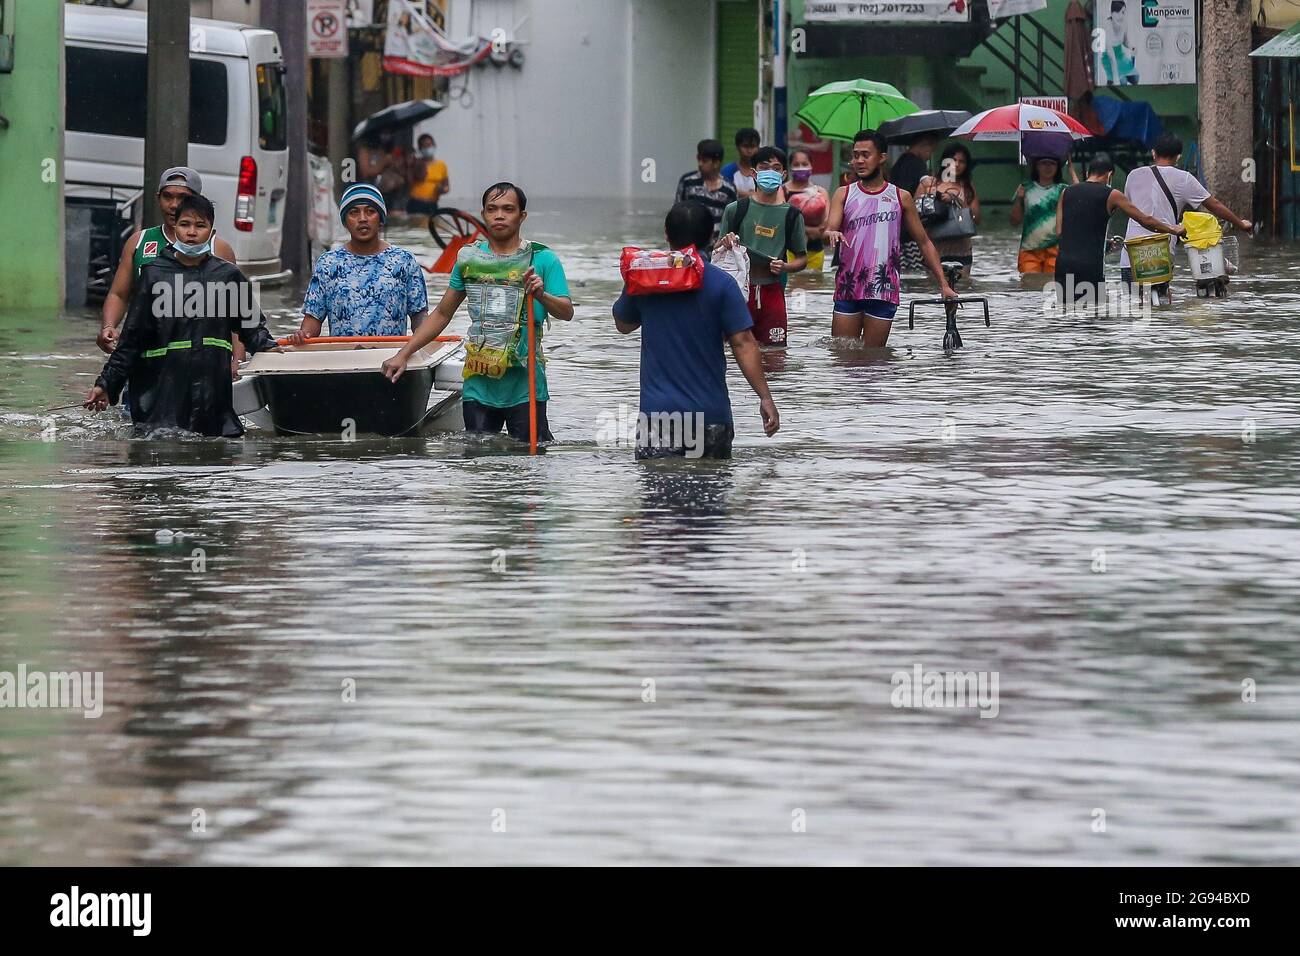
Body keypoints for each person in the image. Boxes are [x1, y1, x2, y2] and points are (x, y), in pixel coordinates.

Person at [381, 182, 573, 442]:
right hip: (479, 385)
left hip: (526, 386)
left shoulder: (542, 259)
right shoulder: (469, 260)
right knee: (479, 460)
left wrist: (542, 295)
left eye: (508, 209)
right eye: (492, 209)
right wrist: (404, 354)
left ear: (522, 216)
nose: (500, 215)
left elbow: (566, 311)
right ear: (483, 214)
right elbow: (441, 314)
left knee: (531, 465)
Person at [83, 194, 278, 436]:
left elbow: (253, 330)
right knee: (162, 448)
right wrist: (107, 384)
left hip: (211, 399)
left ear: (211, 231)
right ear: (175, 229)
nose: (192, 232)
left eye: (200, 225)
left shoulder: (228, 277)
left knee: (214, 455)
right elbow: (131, 340)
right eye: (185, 224)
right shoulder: (154, 276)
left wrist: (277, 353)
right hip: (161, 397)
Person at [612, 202, 778, 459]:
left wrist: (633, 286)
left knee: (657, 493)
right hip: (710, 416)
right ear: (711, 237)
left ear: (666, 234)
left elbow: (623, 325)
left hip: (658, 417)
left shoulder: (643, 279)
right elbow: (744, 343)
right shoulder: (723, 284)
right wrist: (765, 397)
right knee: (710, 493)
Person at [822, 129, 957, 347]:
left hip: (883, 289)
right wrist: (831, 233)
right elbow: (829, 228)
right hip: (848, 286)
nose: (859, 160)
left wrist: (943, 284)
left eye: (866, 155)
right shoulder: (843, 193)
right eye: (855, 155)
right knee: (842, 358)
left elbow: (924, 242)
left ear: (882, 157)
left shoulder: (900, 197)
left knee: (875, 359)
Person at [97, 167, 239, 360]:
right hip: (147, 357)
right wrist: (108, 327)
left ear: (197, 200)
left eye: (182, 197)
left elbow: (236, 310)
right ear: (158, 198)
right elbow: (119, 294)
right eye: (167, 196)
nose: (173, 205)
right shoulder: (139, 242)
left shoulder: (218, 249)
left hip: (199, 358)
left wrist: (237, 361)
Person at [290, 184, 429, 341]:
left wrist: (423, 341)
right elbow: (313, 319)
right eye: (354, 212)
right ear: (345, 221)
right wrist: (302, 336)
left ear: (381, 219)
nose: (362, 218)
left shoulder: (404, 261)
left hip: (392, 358)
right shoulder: (328, 263)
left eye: (370, 211)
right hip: (344, 359)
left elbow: (419, 316)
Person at [1118, 132, 1252, 288]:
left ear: (1153, 153)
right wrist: (1241, 224)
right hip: (1160, 255)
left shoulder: (1133, 176)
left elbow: (1130, 207)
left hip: (1130, 256)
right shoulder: (1184, 178)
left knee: (1133, 306)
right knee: (1160, 307)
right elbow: (1214, 205)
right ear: (1178, 157)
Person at [1054, 153, 1185, 304]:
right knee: (1092, 317)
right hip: (1090, 266)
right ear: (1110, 175)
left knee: (1067, 313)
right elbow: (1145, 220)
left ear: (1087, 173)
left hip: (1063, 265)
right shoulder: (1112, 195)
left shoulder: (1066, 192)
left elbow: (1059, 232)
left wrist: (1103, 242)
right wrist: (1173, 229)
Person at [716, 146, 808, 349]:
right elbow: (716, 251)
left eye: (776, 168)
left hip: (772, 292)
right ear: (753, 172)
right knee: (733, 354)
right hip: (738, 292)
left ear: (784, 174)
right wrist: (726, 242)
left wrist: (785, 267)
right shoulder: (736, 209)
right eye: (764, 167)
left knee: (776, 356)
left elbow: (802, 259)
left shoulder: (792, 215)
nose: (770, 173)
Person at [916, 142, 981, 281]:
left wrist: (956, 200)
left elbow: (976, 218)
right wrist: (933, 199)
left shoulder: (968, 187)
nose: (956, 164)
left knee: (962, 287)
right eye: (953, 160)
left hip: (961, 249)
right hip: (934, 247)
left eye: (962, 161)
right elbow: (915, 214)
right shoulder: (929, 184)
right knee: (933, 289)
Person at [889, 133, 939, 273]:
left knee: (900, 270)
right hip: (910, 228)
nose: (930, 156)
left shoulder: (900, 162)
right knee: (917, 272)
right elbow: (927, 186)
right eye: (931, 150)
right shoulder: (917, 164)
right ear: (924, 145)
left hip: (895, 226)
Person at [1011, 156, 1068, 275]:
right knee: (1030, 286)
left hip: (1056, 249)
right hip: (1029, 249)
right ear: (1036, 166)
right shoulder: (1025, 188)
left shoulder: (1064, 189)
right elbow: (1014, 222)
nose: (1048, 167)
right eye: (1044, 163)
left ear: (1057, 167)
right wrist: (1019, 199)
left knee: (1052, 286)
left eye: (1052, 163)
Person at [674, 138, 737, 244]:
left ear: (716, 163)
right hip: (689, 244)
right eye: (699, 159)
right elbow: (676, 212)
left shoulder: (728, 189)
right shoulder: (688, 182)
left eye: (704, 160)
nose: (700, 163)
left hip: (717, 247)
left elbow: (732, 221)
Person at [784, 148, 830, 272]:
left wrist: (803, 230)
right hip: (789, 252)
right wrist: (809, 230)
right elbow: (781, 224)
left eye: (804, 164)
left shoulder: (820, 192)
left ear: (811, 165)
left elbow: (827, 224)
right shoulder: (783, 191)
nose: (800, 168)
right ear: (790, 167)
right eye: (796, 164)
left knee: (814, 286)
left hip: (815, 252)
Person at [406, 133, 450, 217]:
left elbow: (446, 186)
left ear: (434, 145)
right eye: (424, 146)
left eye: (429, 145)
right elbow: (409, 181)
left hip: (432, 204)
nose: (427, 148)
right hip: (416, 203)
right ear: (420, 149)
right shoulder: (416, 163)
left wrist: (441, 189)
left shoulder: (441, 165)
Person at [721, 127, 760, 198]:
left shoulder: (764, 171)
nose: (749, 151)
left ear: (758, 147)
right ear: (737, 147)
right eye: (745, 146)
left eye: (753, 146)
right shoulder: (727, 171)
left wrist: (739, 192)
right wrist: (752, 195)